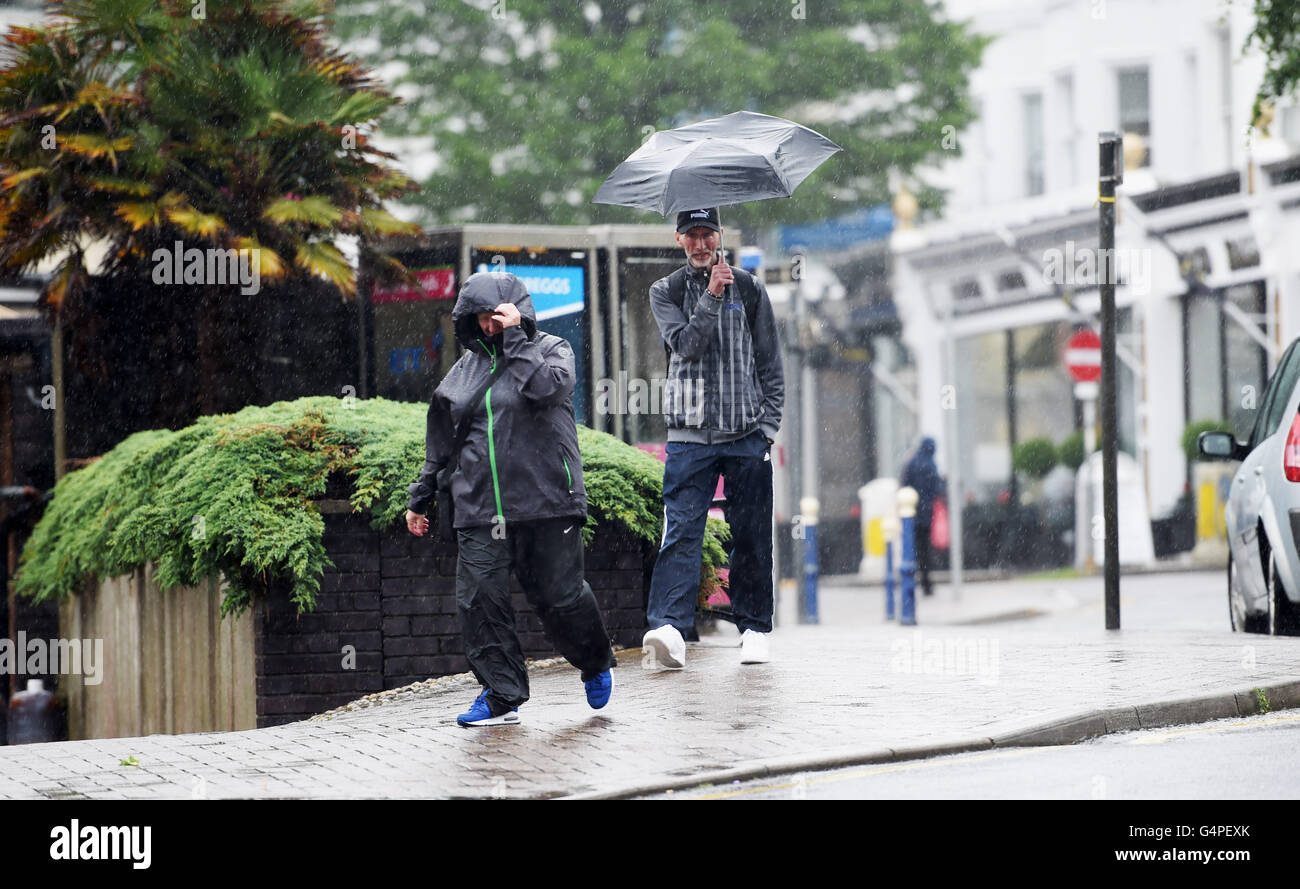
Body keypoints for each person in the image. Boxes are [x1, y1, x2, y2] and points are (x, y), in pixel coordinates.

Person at [405, 271, 616, 726]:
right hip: (480, 507)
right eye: (481, 319)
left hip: (548, 503)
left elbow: (545, 389)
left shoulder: (552, 351)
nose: (488, 327)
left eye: (496, 317)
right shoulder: (461, 373)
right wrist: (419, 496)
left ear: (519, 313)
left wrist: (517, 337)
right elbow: (441, 441)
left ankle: (595, 661)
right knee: (479, 599)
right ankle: (501, 695)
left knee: (560, 598)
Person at [641, 207, 784, 668]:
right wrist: (710, 296)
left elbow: (770, 364)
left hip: (746, 435)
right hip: (689, 437)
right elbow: (685, 345)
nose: (701, 244)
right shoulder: (664, 291)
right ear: (679, 240)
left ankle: (755, 628)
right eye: (692, 236)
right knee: (681, 533)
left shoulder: (749, 287)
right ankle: (669, 628)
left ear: (719, 236)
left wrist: (767, 428)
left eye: (708, 234)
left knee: (752, 536)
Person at [900, 437, 946, 597]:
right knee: (925, 549)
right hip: (926, 515)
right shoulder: (931, 465)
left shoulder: (911, 463)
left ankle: (911, 581)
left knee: (912, 549)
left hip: (910, 515)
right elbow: (937, 489)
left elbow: (904, 484)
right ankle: (926, 583)